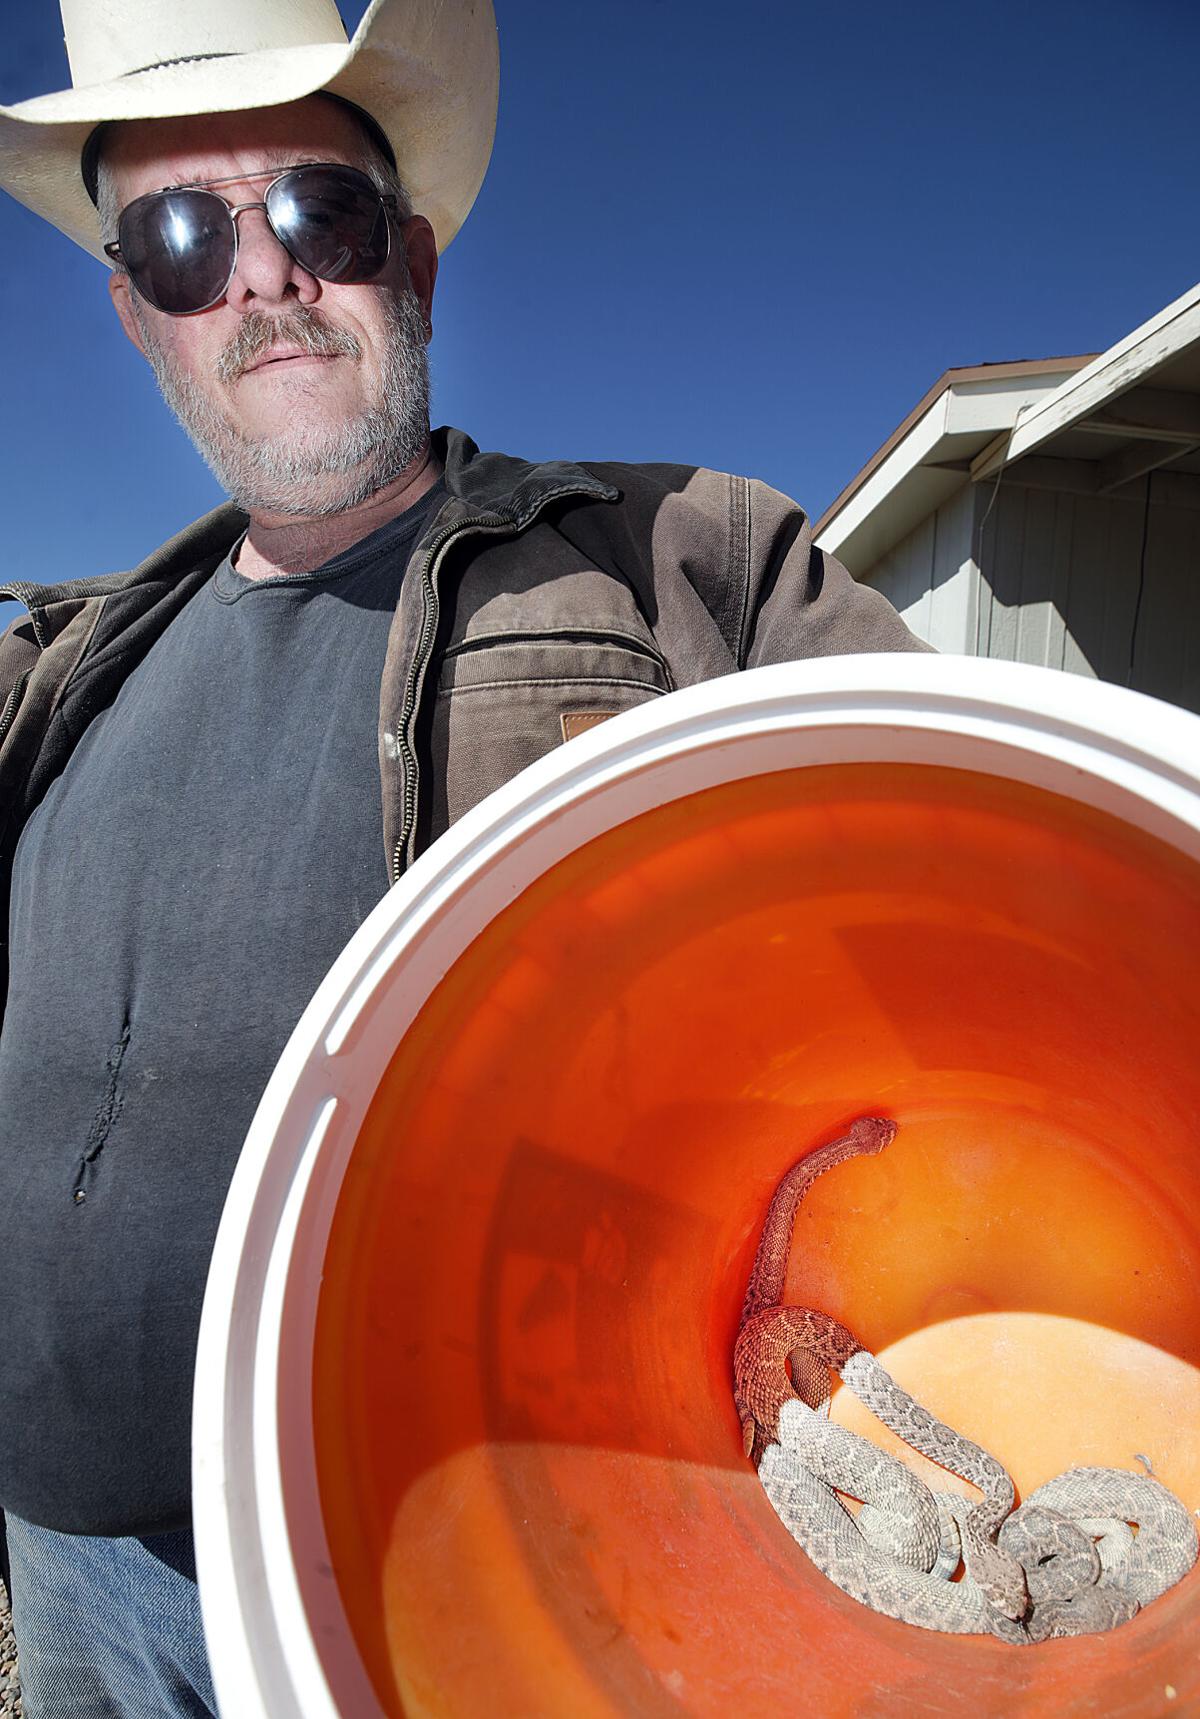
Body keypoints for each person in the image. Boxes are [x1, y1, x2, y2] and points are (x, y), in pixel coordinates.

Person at [0, 1, 932, 1713]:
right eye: (188, 237)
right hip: (66, 1564)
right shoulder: (71, 663)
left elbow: (994, 890)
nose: (266, 276)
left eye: (321, 216)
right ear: (138, 314)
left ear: (409, 260)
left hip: (439, 1567)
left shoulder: (685, 563)